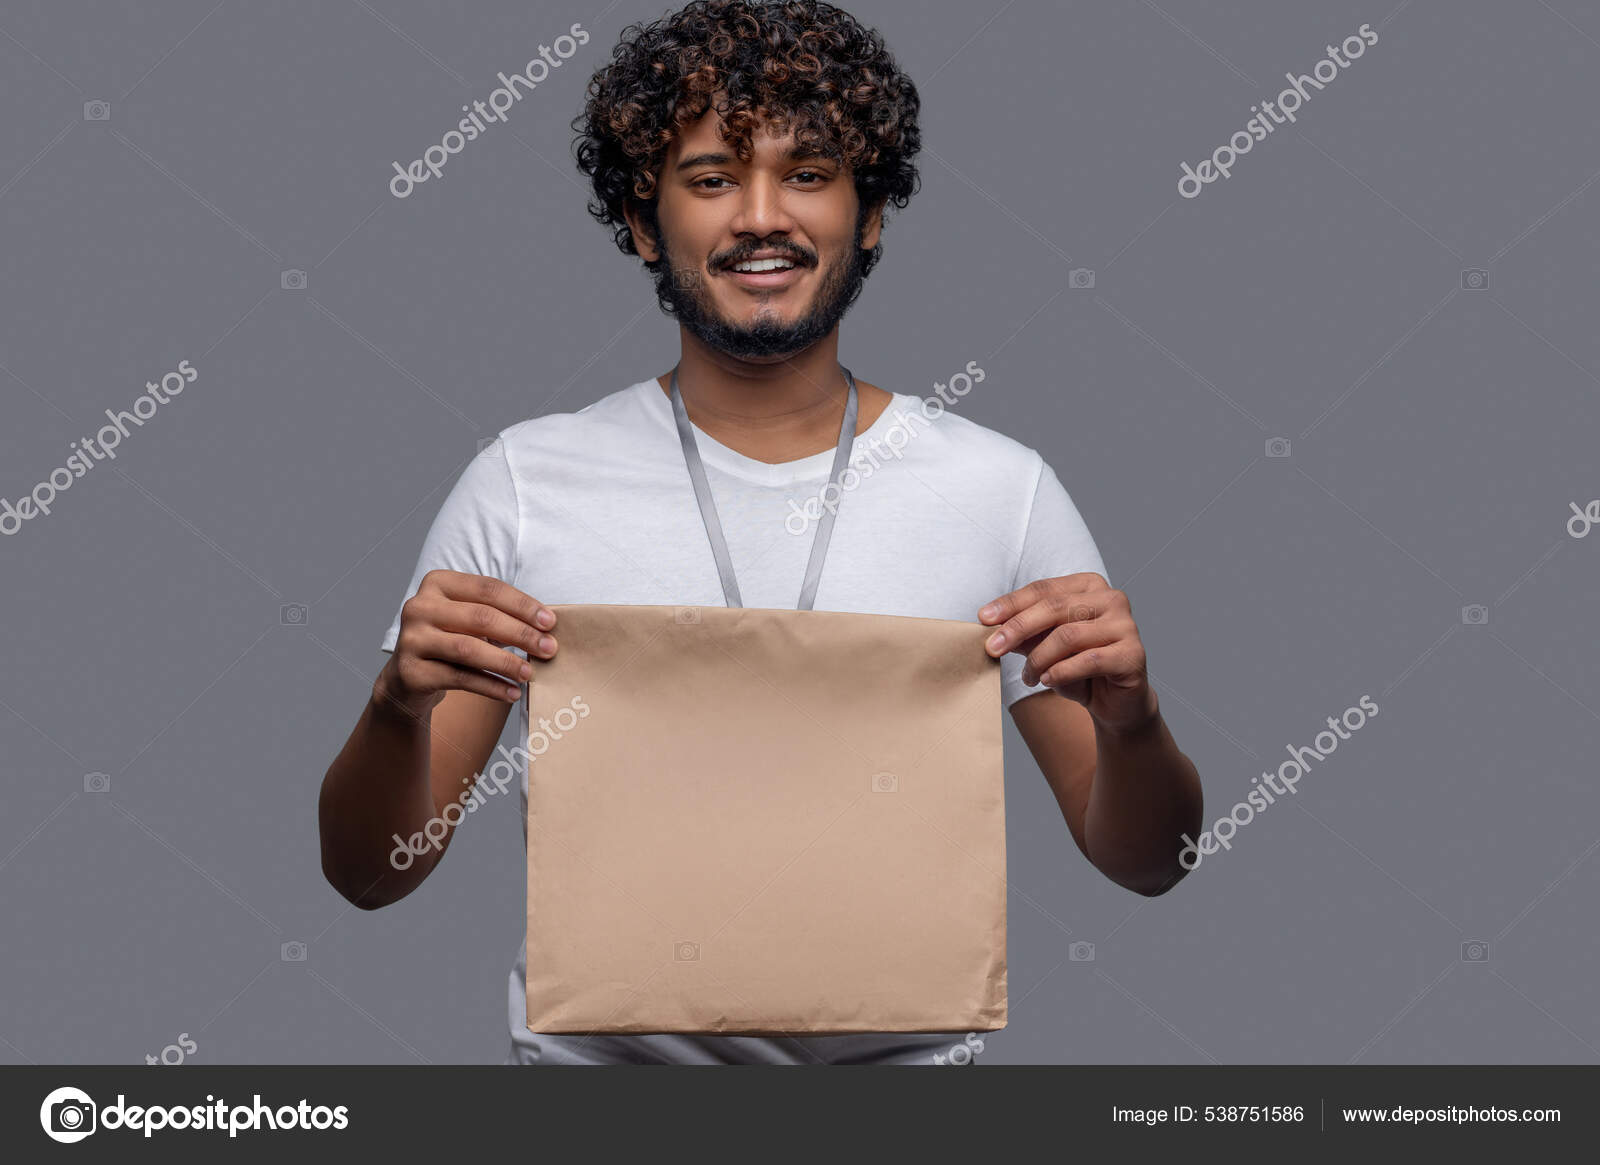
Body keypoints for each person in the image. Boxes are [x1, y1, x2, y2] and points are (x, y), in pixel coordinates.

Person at [318, 0, 1202, 1065]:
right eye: (709, 178)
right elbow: (373, 874)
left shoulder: (997, 488)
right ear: (645, 222)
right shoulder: (521, 483)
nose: (759, 216)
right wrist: (393, 705)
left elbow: (1153, 863)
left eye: (810, 172)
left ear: (868, 213)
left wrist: (1135, 722)